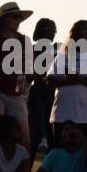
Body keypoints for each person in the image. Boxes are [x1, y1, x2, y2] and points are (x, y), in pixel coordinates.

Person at [50, 19, 87, 156]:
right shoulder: (63, 55)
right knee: (59, 157)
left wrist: (79, 79)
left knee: (85, 159)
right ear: (75, 35)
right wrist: (69, 80)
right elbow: (51, 78)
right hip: (62, 116)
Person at [0, 2, 33, 147]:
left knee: (24, 141)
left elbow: (28, 69)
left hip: (17, 94)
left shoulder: (24, 40)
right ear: (3, 19)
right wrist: (10, 61)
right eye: (14, 17)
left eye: (19, 17)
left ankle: (20, 170)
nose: (18, 21)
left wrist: (26, 83)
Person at [27, 18, 60, 157]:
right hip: (37, 92)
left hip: (53, 94)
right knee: (35, 134)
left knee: (53, 138)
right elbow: (27, 73)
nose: (52, 32)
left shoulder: (57, 50)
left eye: (54, 29)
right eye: (48, 29)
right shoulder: (32, 49)